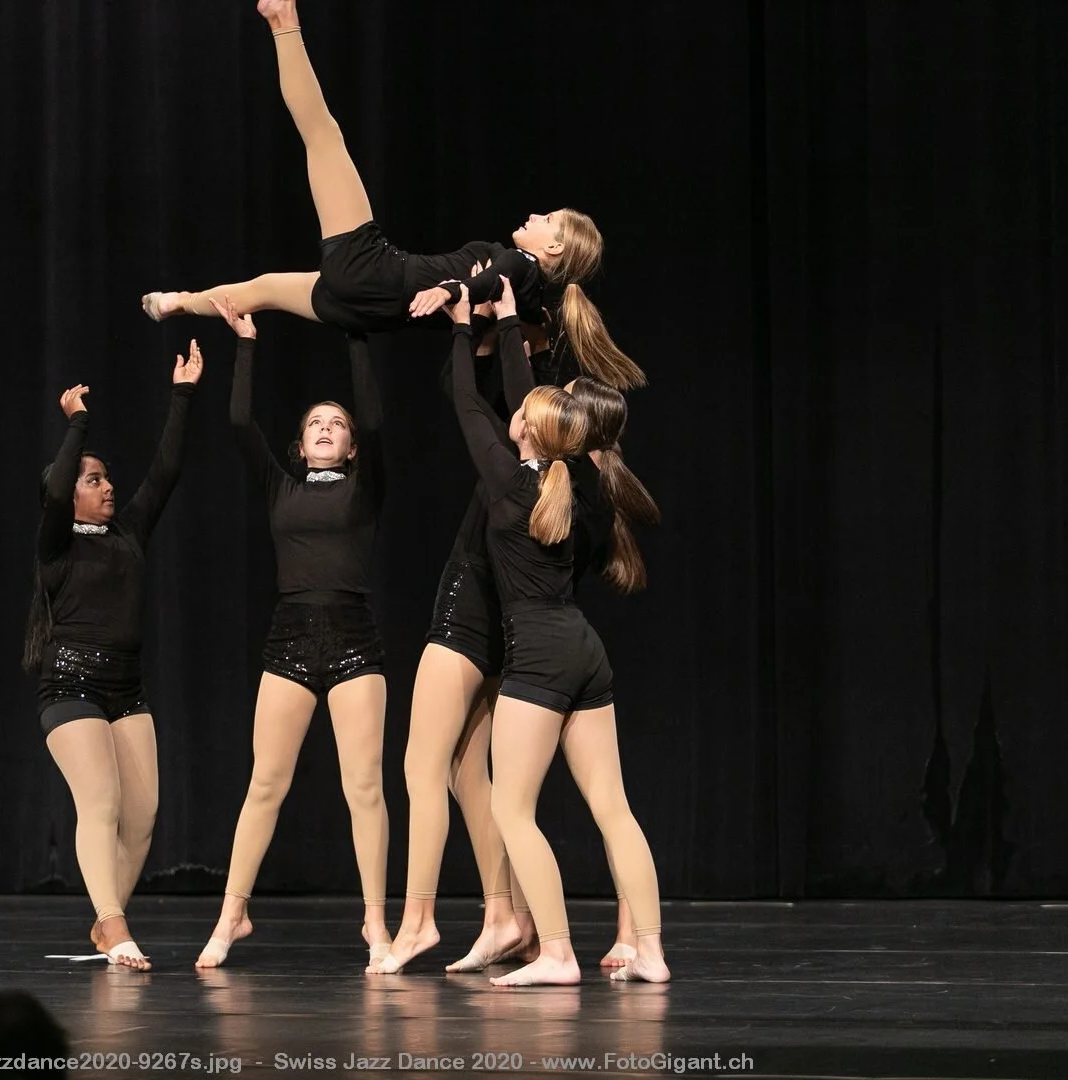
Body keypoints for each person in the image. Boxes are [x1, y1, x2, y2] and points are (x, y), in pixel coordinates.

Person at [139, 0, 643, 392]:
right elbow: (505, 341)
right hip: (368, 309)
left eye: (547, 219)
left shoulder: (520, 268)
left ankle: (281, 18)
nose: (534, 214)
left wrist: (450, 291)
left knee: (323, 136)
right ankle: (176, 303)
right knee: (264, 289)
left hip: (373, 271)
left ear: (553, 248)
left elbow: (504, 272)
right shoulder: (530, 308)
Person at [446, 286, 669, 986]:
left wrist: (464, 332)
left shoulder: (511, 485)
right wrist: (510, 320)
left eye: (526, 414)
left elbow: (465, 400)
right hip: (585, 651)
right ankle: (652, 952)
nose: (516, 410)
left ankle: (559, 953)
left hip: (539, 656)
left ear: (531, 434)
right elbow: (526, 407)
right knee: (613, 807)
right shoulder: (577, 485)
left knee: (512, 806)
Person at [195, 296, 390, 970]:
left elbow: (377, 415)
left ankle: (376, 924)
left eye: (338, 424)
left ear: (353, 441)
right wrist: (245, 345)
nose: (328, 429)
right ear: (301, 443)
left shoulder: (365, 488)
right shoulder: (282, 490)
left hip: (354, 641)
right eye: (316, 424)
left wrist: (357, 340)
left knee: (363, 787)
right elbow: (238, 419)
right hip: (288, 641)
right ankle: (231, 915)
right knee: (265, 783)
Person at [23, 343, 204, 970]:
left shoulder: (128, 531)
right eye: (93, 480)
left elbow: (167, 470)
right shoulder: (56, 542)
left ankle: (107, 926)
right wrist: (77, 425)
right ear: (69, 491)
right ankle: (116, 925)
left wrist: (182, 395)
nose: (108, 487)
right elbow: (54, 490)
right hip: (69, 686)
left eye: (107, 479)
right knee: (99, 802)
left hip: (126, 689)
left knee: (144, 815)